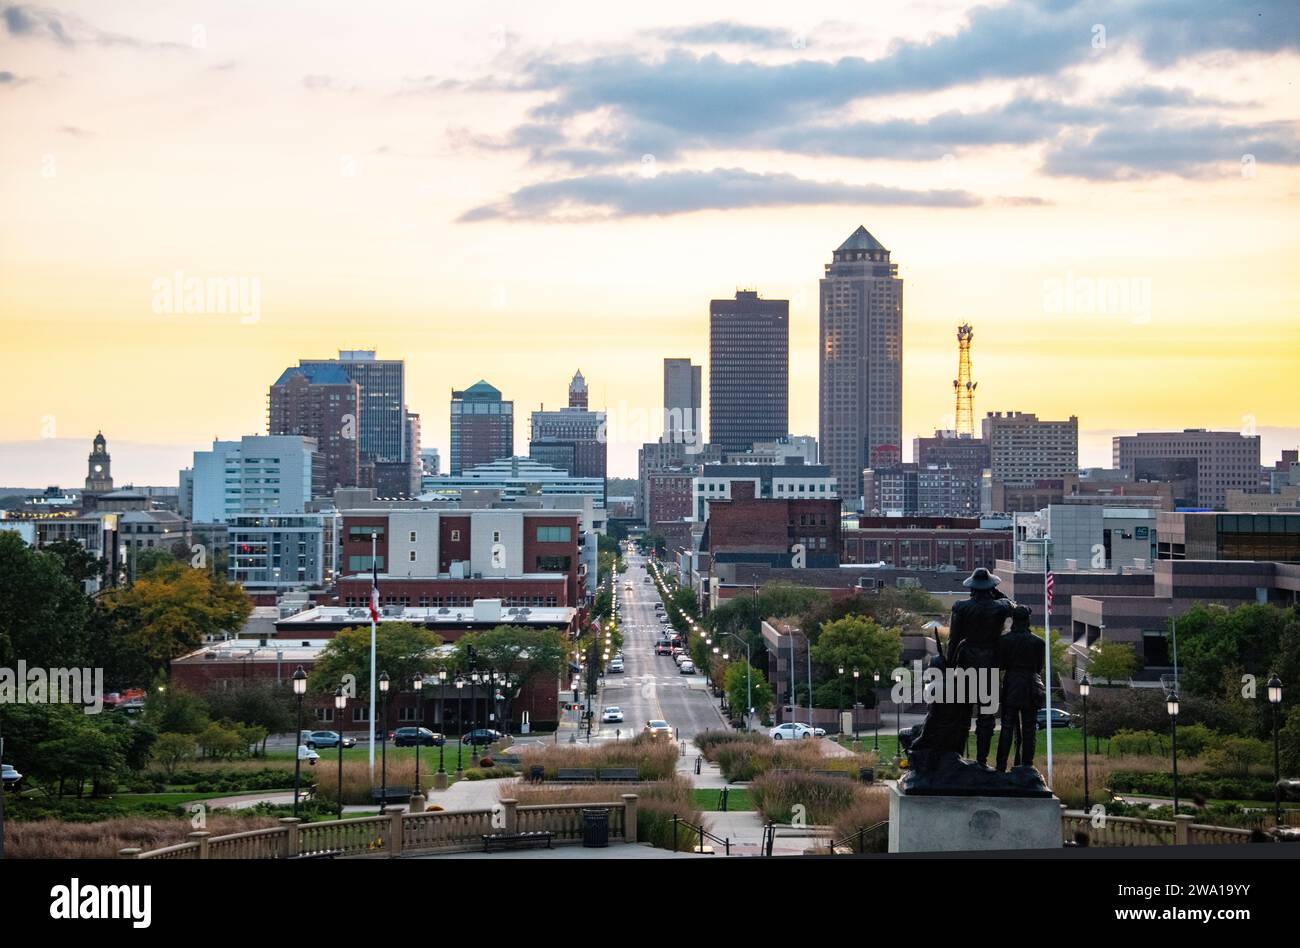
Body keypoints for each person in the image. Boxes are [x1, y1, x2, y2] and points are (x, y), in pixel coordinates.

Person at [947, 567, 1013, 766]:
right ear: (990, 588)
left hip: (967, 662)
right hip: (990, 663)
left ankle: (956, 758)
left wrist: (949, 666)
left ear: (972, 588)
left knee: (962, 714)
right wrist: (998, 593)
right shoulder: (1001, 606)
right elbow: (1016, 607)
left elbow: (953, 639)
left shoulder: (961, 607)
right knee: (987, 716)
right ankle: (982, 761)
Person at [995, 604, 1045, 771]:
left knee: (1007, 726)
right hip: (1031, 684)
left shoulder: (1004, 641)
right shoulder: (1038, 642)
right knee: (1029, 728)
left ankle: (1001, 766)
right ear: (1028, 620)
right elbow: (1039, 667)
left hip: (1012, 683)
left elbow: (1000, 665)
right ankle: (1027, 765)